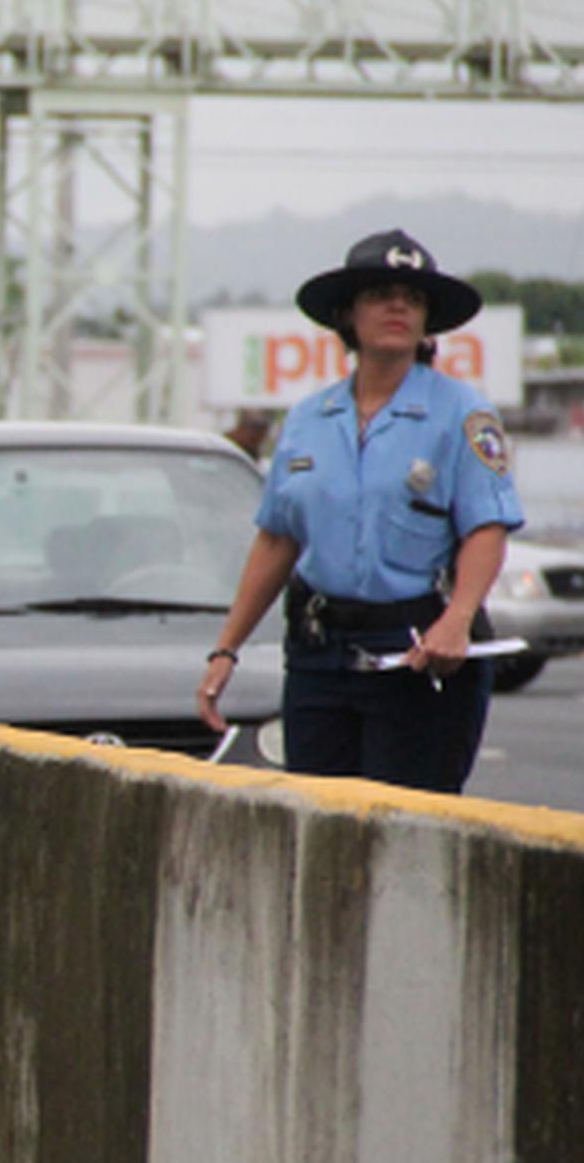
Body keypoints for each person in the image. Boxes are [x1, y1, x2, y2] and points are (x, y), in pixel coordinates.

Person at [197, 229, 520, 794]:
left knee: (406, 828)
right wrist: (227, 648)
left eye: (413, 298)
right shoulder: (307, 420)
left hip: (418, 652)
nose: (398, 307)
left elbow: (486, 528)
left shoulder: (462, 413)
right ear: (347, 316)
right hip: (321, 653)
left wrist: (458, 619)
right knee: (318, 821)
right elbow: (277, 540)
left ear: (427, 323)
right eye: (380, 294)